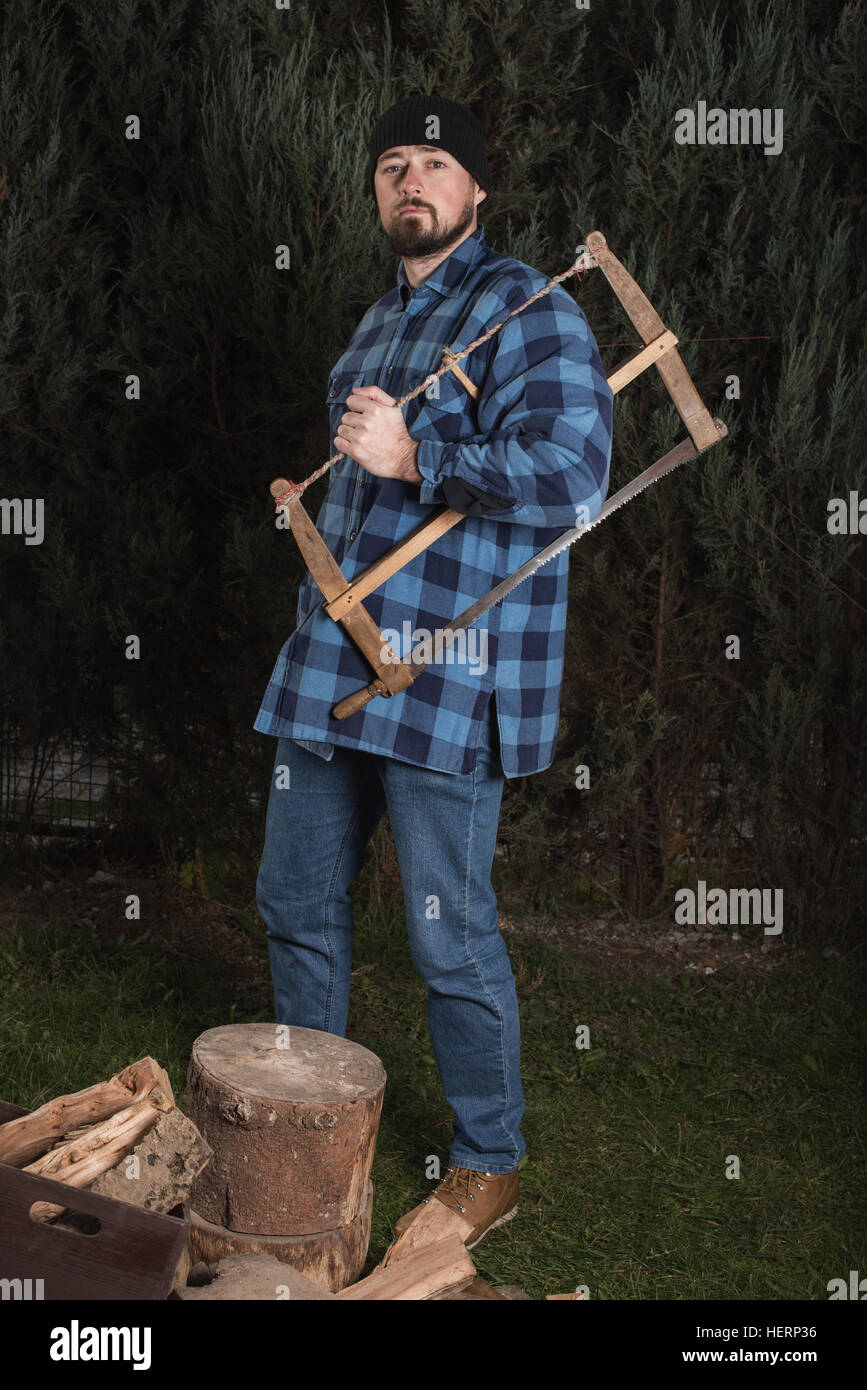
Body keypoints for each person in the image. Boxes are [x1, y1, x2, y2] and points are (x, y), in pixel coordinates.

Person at [254, 94, 613, 1247]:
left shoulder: (530, 309)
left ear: (477, 190)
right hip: (332, 668)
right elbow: (359, 508)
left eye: (437, 163)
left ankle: (489, 1160)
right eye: (394, 164)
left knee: (445, 933)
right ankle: (309, 1120)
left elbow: (576, 475)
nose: (412, 180)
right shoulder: (371, 330)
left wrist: (420, 454)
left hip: (449, 674)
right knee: (294, 902)